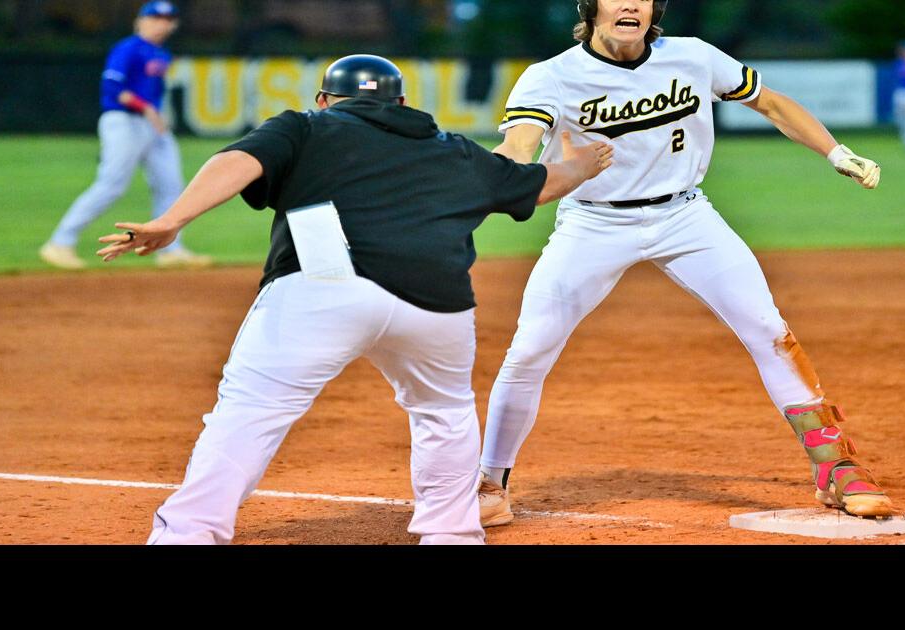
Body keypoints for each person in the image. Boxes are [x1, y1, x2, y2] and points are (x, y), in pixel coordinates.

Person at [96, 54, 613, 544]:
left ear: (324, 100)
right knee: (444, 411)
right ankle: (451, 532)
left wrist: (172, 220)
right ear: (405, 105)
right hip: (436, 301)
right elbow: (542, 183)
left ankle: (188, 533)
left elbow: (239, 160)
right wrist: (586, 162)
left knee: (251, 409)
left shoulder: (305, 126)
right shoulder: (454, 149)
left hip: (324, 286)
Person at [477, 0, 894, 528]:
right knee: (530, 347)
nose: (630, 3)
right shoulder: (552, 77)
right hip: (593, 225)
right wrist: (503, 174)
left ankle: (835, 468)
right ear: (590, 6)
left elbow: (771, 104)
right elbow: (519, 145)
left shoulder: (693, 56)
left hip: (686, 217)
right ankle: (491, 481)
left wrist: (835, 152)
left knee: (767, 329)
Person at [41, 1, 211, 270]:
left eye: (168, 19)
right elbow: (111, 87)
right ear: (140, 21)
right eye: (155, 17)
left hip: (151, 125)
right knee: (112, 184)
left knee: (171, 185)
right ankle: (60, 243)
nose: (162, 23)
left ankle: (170, 250)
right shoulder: (128, 48)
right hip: (123, 121)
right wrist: (147, 109)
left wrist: (155, 113)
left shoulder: (162, 53)